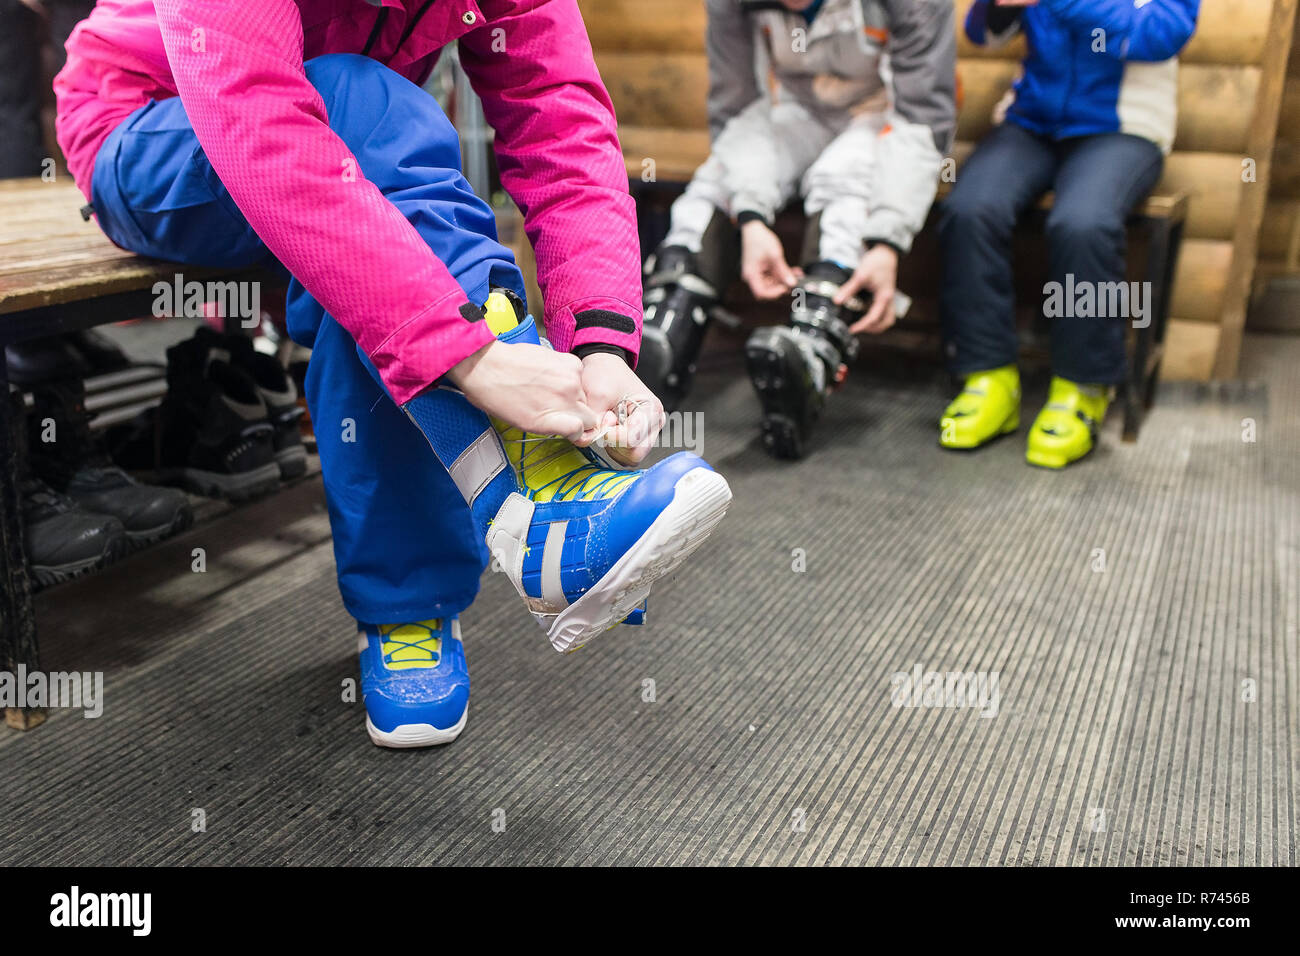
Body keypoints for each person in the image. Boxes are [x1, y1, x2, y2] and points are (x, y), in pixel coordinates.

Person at [55, 0, 733, 748]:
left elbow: (558, 117)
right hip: (151, 131)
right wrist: (471, 356)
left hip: (349, 140)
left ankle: (423, 596)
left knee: (382, 214)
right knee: (364, 108)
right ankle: (541, 485)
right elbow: (259, 123)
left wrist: (601, 343)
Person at [638, 0, 956, 459]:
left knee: (843, 177)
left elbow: (922, 120)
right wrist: (751, 217)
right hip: (799, 109)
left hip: (887, 111)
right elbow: (740, 110)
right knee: (713, 183)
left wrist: (889, 239)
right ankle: (666, 330)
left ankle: (813, 343)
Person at [938, 0, 1199, 469]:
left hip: (1123, 129)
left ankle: (1085, 385)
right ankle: (988, 377)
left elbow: (1159, 35)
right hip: (1032, 122)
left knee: (1083, 223)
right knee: (969, 210)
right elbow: (983, 33)